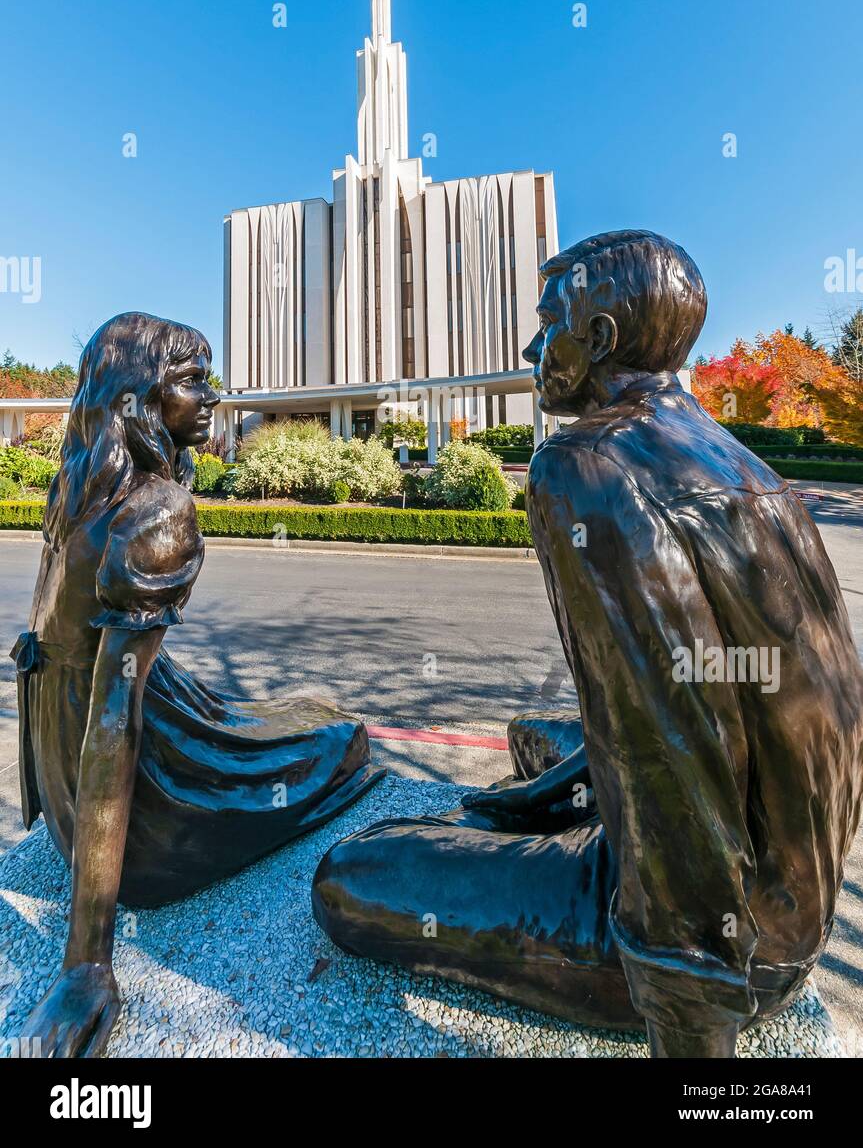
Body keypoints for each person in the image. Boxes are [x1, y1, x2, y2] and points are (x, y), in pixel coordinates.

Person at [312, 229, 863, 1058]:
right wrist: (564, 788)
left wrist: (695, 1033)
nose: (533, 348)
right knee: (535, 742)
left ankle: (621, 912)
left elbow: (676, 749)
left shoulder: (584, 465)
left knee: (353, 874)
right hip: (794, 895)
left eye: (547, 327)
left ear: (599, 341)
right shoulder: (733, 456)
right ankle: (559, 807)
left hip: (725, 941)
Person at [12, 312, 383, 1057]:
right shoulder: (159, 512)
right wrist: (87, 963)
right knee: (336, 741)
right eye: (191, 381)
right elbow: (113, 721)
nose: (212, 397)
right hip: (146, 818)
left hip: (67, 795)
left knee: (291, 715)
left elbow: (42, 644)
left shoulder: (77, 492)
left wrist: (44, 806)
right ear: (133, 402)